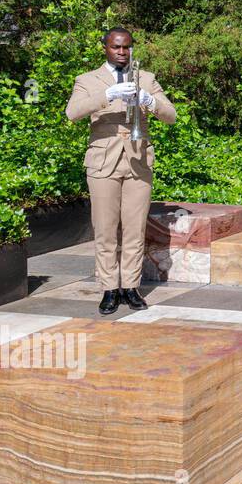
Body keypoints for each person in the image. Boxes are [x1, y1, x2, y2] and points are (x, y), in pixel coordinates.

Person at [65, 27, 177, 315]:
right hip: (103, 162)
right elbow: (72, 113)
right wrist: (107, 94)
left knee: (134, 229)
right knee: (105, 230)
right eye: (116, 47)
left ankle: (130, 286)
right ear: (105, 47)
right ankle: (109, 289)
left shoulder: (146, 78)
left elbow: (171, 116)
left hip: (138, 161)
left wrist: (149, 101)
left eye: (126, 47)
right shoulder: (87, 80)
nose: (122, 52)